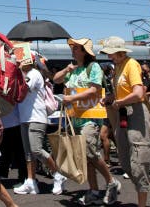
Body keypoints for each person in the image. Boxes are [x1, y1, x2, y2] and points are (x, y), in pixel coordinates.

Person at [100, 37, 150, 207]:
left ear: (120, 52)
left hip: (135, 113)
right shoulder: (117, 67)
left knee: (139, 164)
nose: (109, 57)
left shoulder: (131, 64)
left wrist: (120, 102)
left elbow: (138, 93)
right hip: (122, 116)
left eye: (111, 53)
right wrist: (110, 98)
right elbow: (122, 93)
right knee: (127, 164)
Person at [52, 38, 120, 206]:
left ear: (84, 51)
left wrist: (71, 98)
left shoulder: (93, 67)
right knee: (85, 157)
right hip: (75, 119)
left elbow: (94, 90)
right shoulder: (74, 70)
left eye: (76, 48)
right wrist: (66, 69)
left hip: (90, 119)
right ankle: (94, 190)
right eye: (73, 48)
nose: (73, 51)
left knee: (90, 153)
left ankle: (111, 181)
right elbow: (56, 79)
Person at [13, 56, 67, 196]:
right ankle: (31, 182)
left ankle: (58, 174)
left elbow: (22, 89)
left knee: (36, 149)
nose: (18, 61)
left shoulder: (34, 74)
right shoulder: (26, 74)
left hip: (36, 118)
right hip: (25, 118)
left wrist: (17, 72)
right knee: (28, 153)